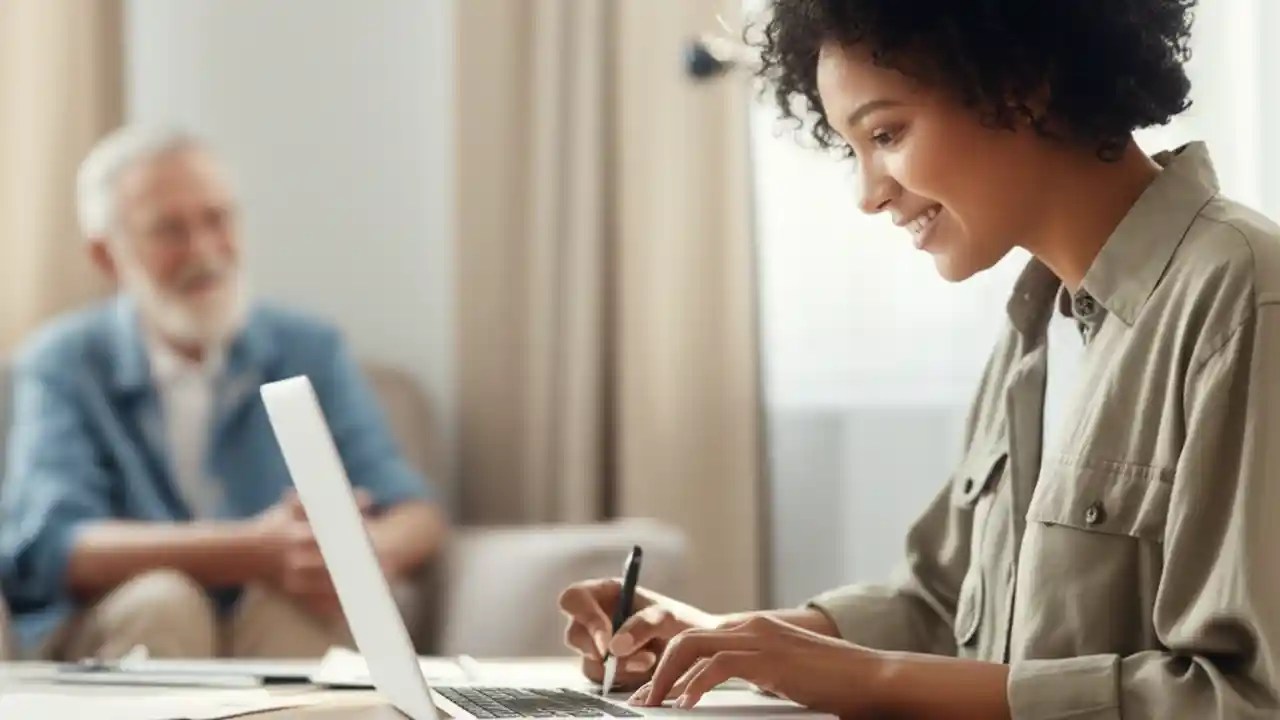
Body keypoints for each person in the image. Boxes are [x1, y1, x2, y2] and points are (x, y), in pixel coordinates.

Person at [559, 1, 1280, 717]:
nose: (869, 194)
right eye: (854, 149)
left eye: (887, 134)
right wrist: (724, 641)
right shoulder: (1038, 329)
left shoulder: (1242, 295)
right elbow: (943, 609)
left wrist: (871, 678)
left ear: (1018, 82)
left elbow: (1248, 698)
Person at [0, 127, 448, 660]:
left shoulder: (310, 348)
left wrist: (359, 550)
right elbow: (53, 545)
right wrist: (254, 550)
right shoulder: (61, 362)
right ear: (106, 256)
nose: (203, 249)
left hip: (275, 616)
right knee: (163, 602)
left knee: (296, 608)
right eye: (169, 230)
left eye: (217, 219)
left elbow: (414, 511)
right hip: (127, 621)